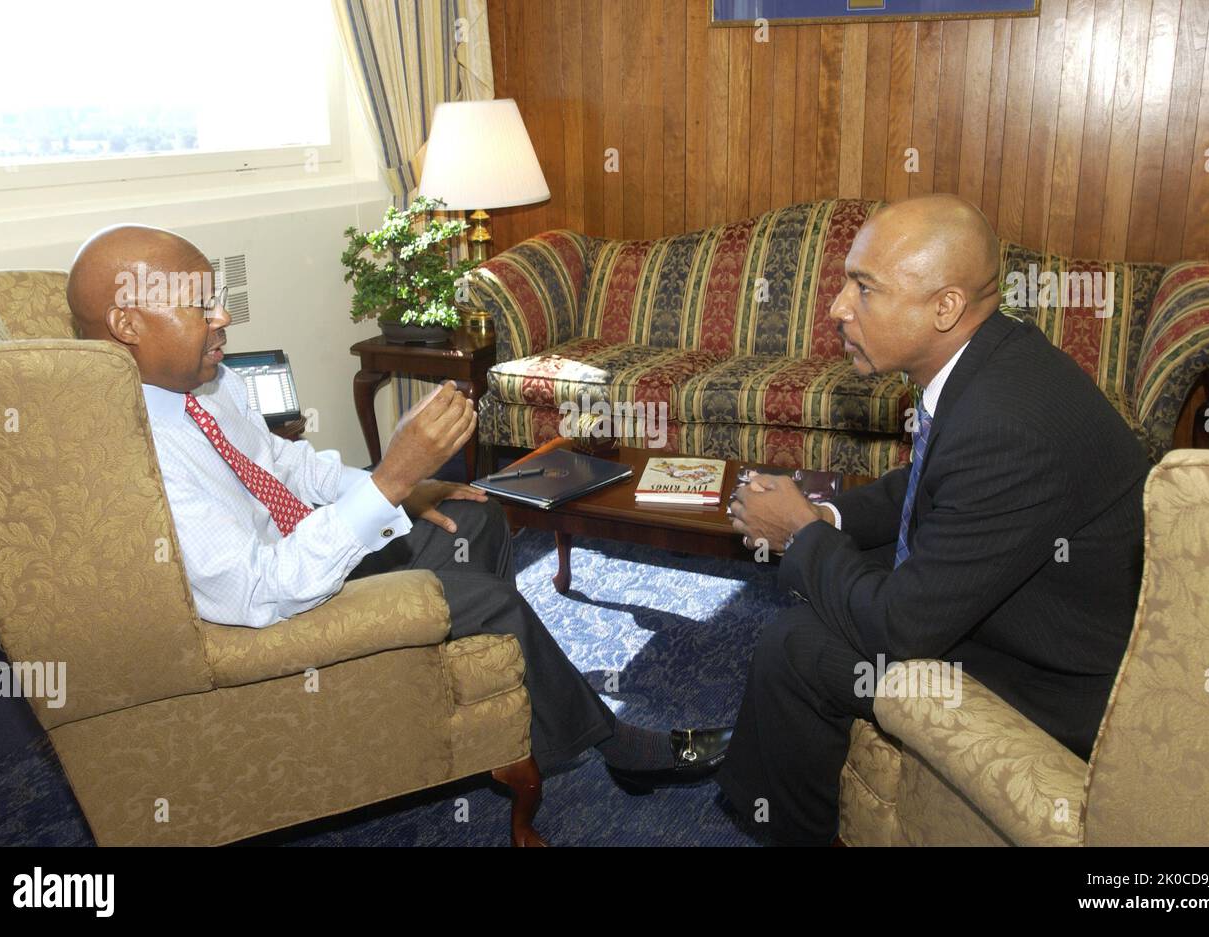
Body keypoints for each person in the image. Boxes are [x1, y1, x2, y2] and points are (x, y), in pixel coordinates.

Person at [66, 223, 729, 789]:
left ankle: (482, 697)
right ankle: (613, 744)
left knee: (476, 514)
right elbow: (259, 591)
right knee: (490, 601)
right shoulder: (135, 455)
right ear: (128, 322)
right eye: (201, 307)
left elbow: (289, 465)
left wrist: (402, 489)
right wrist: (388, 482)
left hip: (308, 555)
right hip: (275, 614)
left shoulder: (211, 384)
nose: (224, 320)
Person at [725, 194, 1150, 844]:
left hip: (1055, 681)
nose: (838, 307)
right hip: (1019, 599)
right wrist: (828, 515)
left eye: (864, 289)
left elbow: (902, 631)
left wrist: (798, 532)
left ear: (945, 307)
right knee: (830, 590)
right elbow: (923, 487)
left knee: (797, 647)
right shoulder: (996, 355)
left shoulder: (1006, 427)